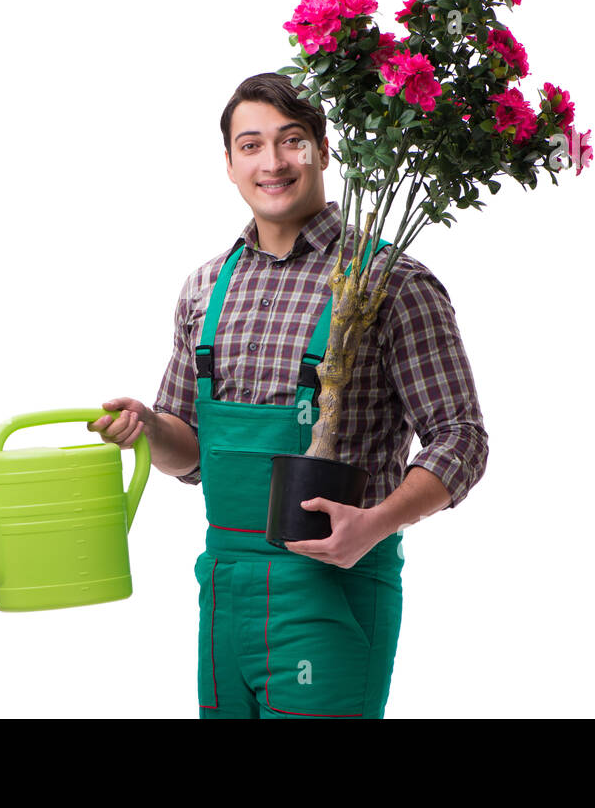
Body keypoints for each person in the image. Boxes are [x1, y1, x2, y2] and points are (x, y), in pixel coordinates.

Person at [90, 72, 488, 718]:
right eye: (251, 145)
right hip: (223, 586)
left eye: (291, 141)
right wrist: (149, 428)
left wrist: (377, 523)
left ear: (325, 151)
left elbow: (461, 436)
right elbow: (189, 454)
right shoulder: (205, 286)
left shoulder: (390, 282)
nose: (271, 162)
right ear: (228, 163)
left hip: (334, 585)